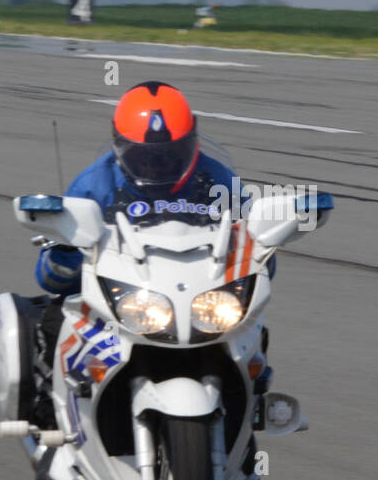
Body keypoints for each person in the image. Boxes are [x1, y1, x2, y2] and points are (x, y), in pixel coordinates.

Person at [30, 80, 275, 429]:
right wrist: (66, 250)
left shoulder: (218, 178)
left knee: (251, 325)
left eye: (170, 155)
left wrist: (258, 253)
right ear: (120, 147)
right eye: (144, 157)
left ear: (192, 143)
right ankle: (53, 414)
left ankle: (247, 421)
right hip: (129, 294)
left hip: (199, 294)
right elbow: (50, 276)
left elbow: (258, 253)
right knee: (57, 317)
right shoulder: (93, 184)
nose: (158, 166)